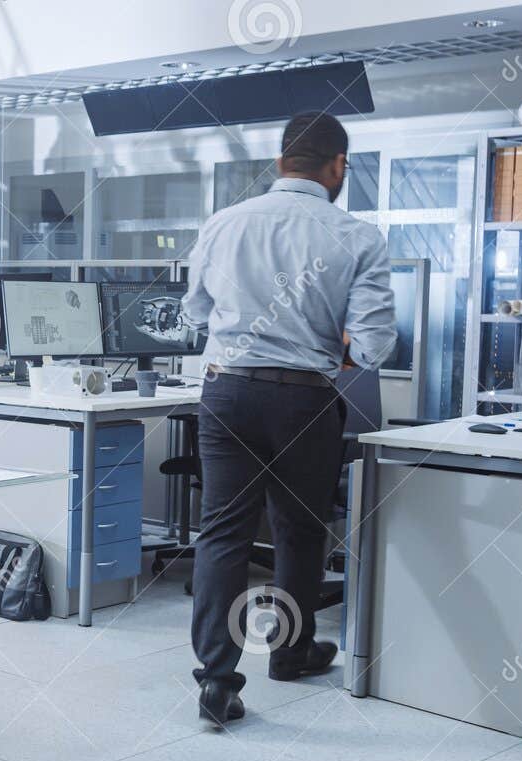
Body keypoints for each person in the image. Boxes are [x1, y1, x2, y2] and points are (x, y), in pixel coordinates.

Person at [182, 110, 396, 726]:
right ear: (338, 167)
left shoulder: (225, 223)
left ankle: (217, 681)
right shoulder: (357, 236)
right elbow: (375, 344)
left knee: (221, 532)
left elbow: (196, 311)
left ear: (280, 163)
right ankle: (290, 651)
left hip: (227, 391)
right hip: (305, 396)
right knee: (300, 529)